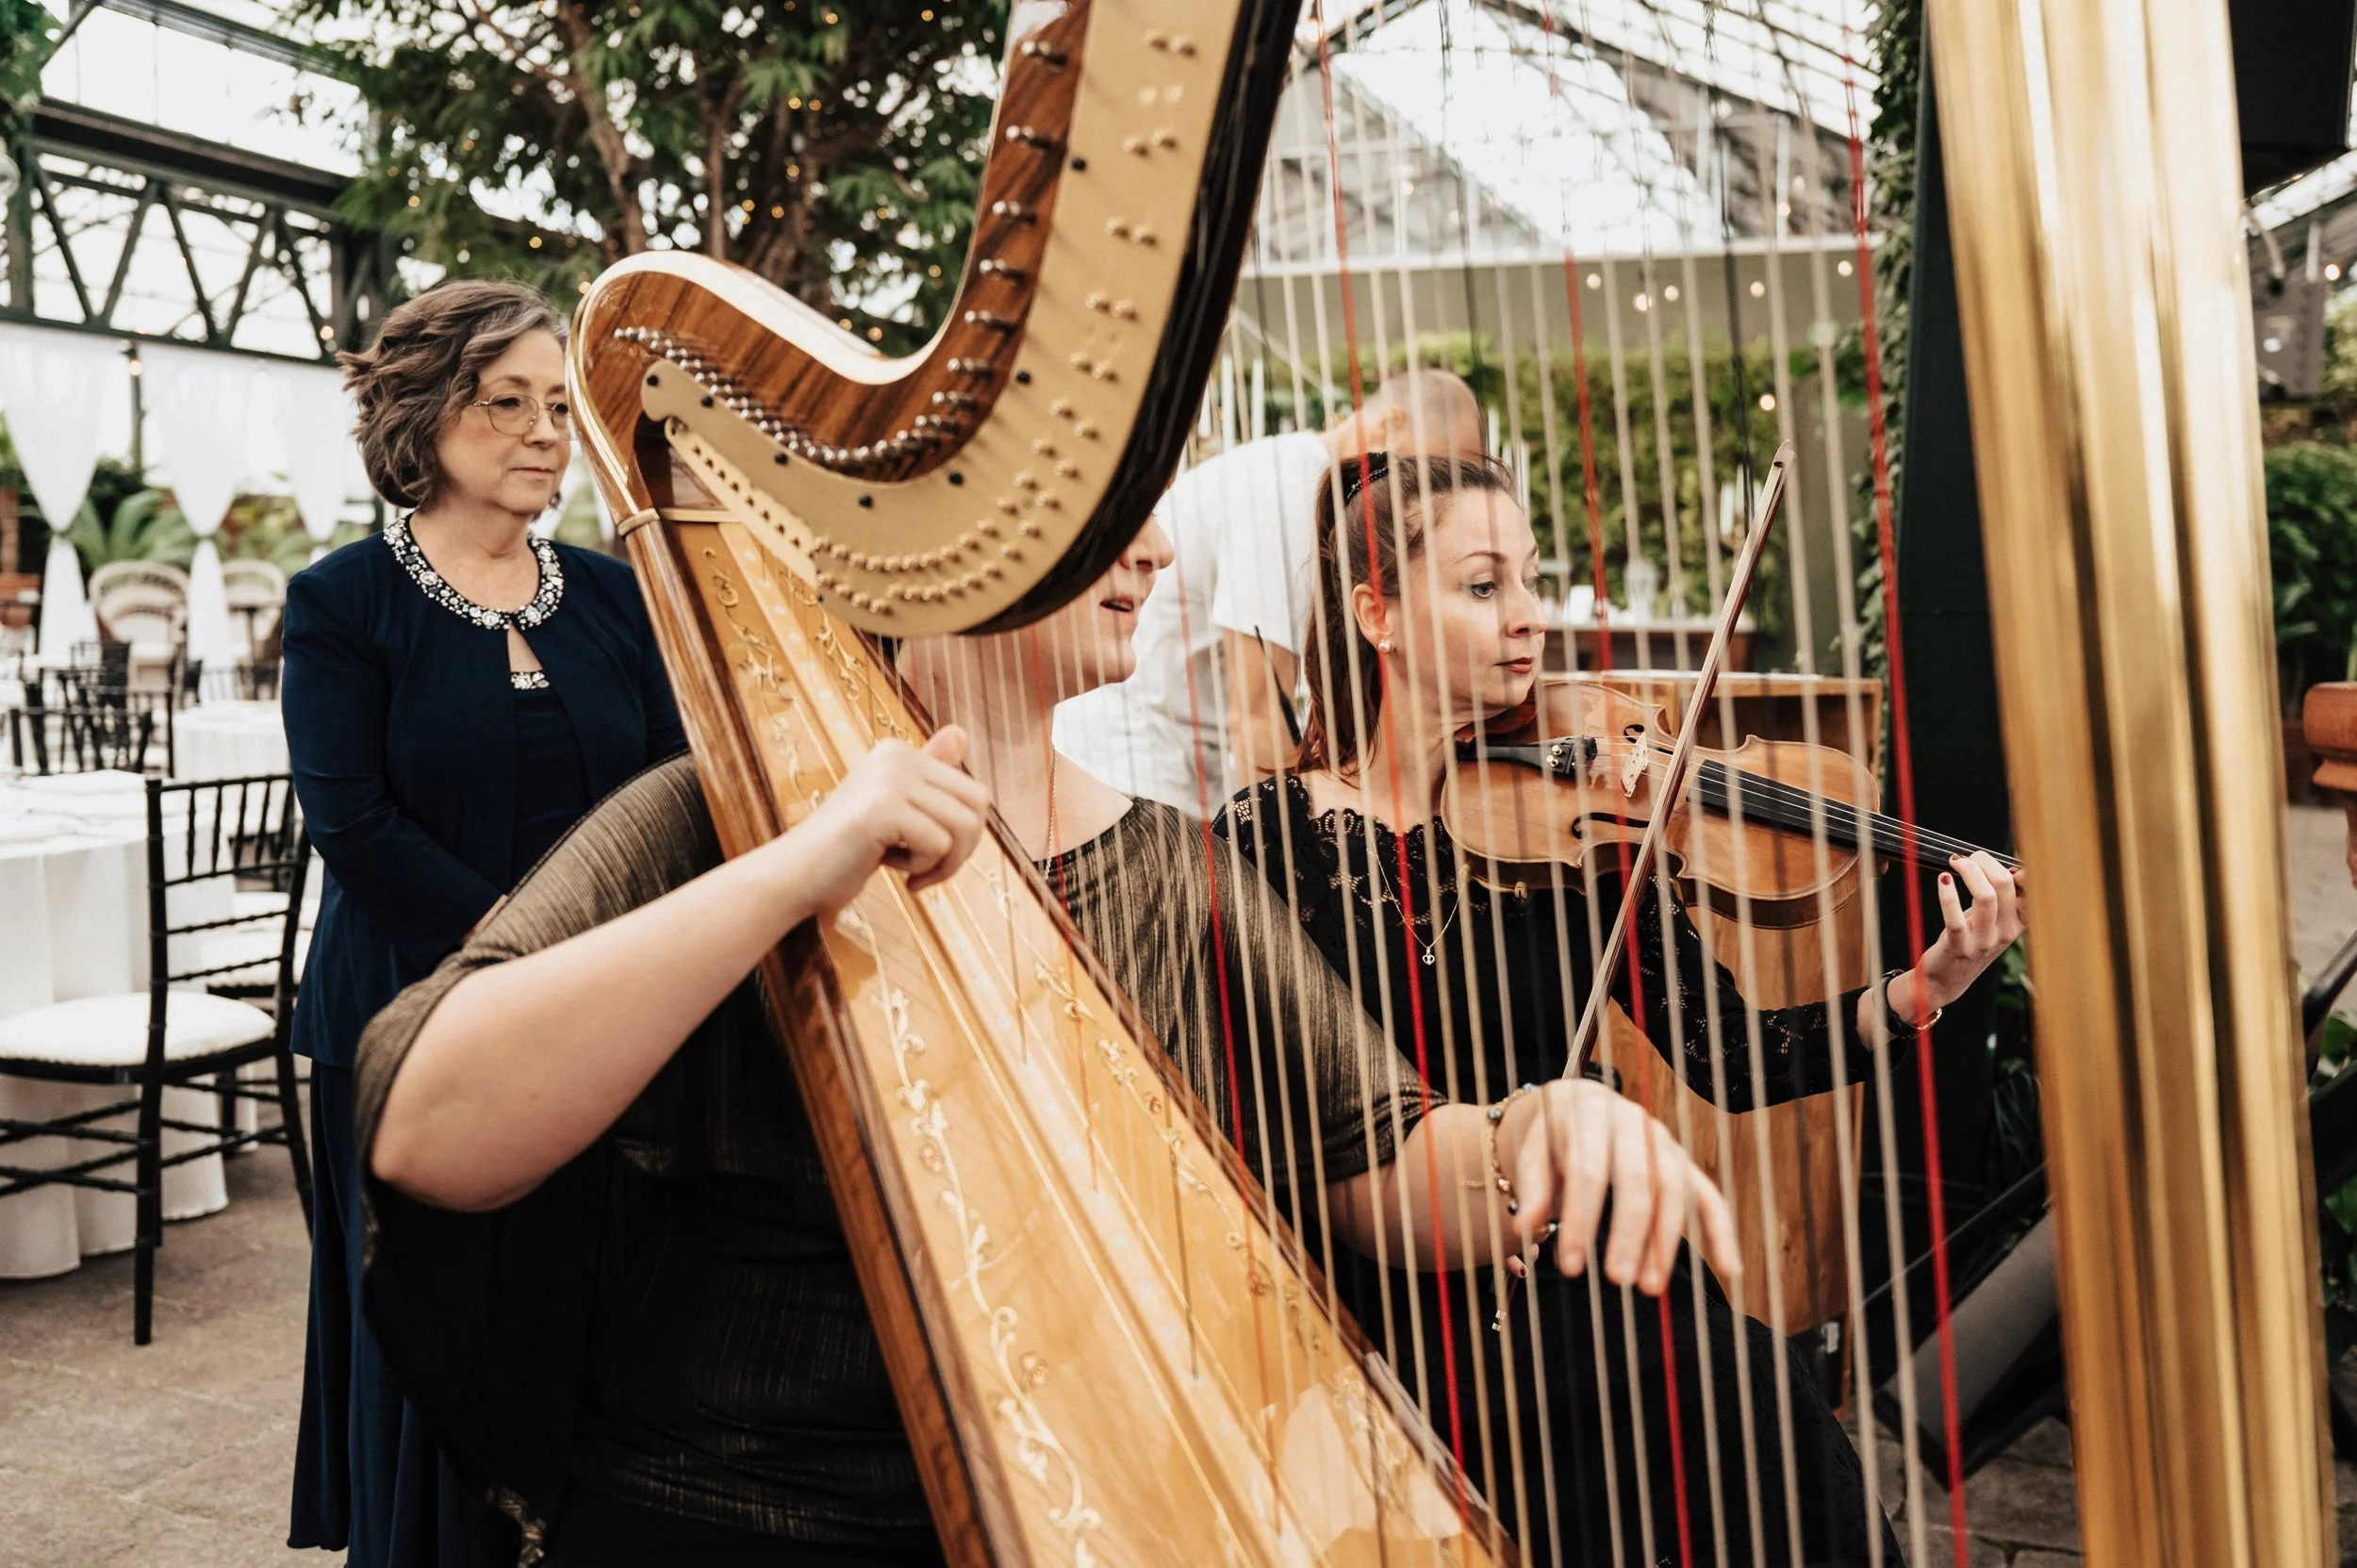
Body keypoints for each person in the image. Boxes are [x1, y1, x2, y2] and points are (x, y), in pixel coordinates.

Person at [347, 519, 1743, 1565]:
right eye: (1107, 512)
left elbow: (1377, 1158)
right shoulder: (714, 814)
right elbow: (428, 1131)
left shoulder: (1175, 867)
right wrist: (802, 861)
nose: (1158, 548)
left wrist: (1538, 1127)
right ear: (948, 545)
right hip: (728, 1511)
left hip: (1089, 1498)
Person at [1215, 454, 2026, 1566]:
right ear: (1379, 613)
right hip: (1397, 1289)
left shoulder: (1577, 822)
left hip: (1587, 1260)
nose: (1531, 619)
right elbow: (1271, 1117)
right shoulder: (1268, 836)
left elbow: (1735, 1053)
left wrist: (1920, 988)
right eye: (1485, 585)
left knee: (1754, 1406)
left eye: (1533, 582)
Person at [283, 279, 687, 1567]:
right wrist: (531, 941)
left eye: (558, 404)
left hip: (596, 1020)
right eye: (503, 401)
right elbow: (353, 820)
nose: (543, 431)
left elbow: (678, 786)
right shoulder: (344, 599)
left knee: (574, 1311)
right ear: (423, 415)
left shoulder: (617, 596)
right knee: (437, 1321)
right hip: (408, 1015)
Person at [1054, 368, 1483, 814]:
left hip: (1168, 769)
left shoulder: (1298, 479)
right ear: (1389, 423)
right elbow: (1258, 714)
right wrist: (1303, 848)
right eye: (1430, 468)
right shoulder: (1285, 493)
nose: (1430, 493)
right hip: (1138, 773)